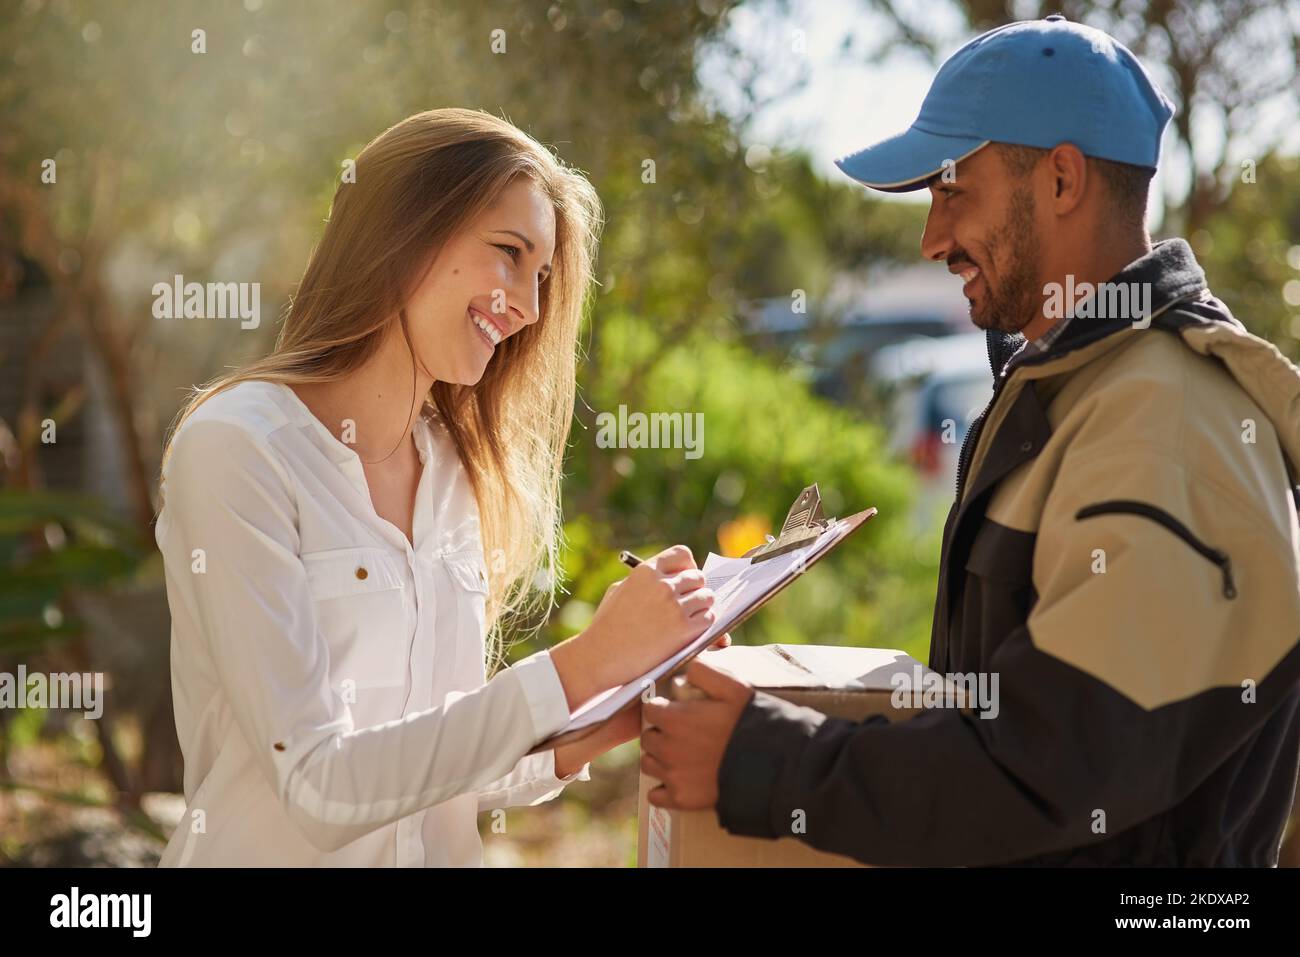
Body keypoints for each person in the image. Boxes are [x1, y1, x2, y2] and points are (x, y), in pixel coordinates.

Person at [642, 16, 1300, 866]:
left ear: (1062, 178)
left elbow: (1051, 764)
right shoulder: (1078, 386)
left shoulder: (1165, 421)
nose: (932, 239)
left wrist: (769, 762)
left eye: (953, 190)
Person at [155, 108, 722, 866]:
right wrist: (580, 662)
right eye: (509, 253)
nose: (529, 305)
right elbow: (321, 786)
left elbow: (438, 760)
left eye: (543, 276)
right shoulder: (237, 449)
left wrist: (610, 710)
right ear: (406, 230)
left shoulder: (455, 471)